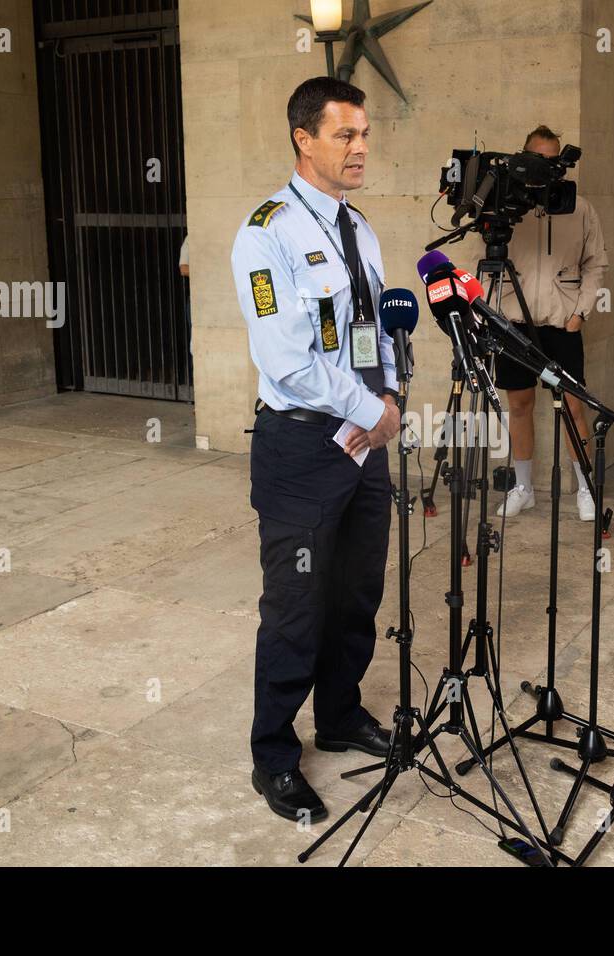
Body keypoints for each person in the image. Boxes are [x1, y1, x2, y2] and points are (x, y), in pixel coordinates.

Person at [231, 76, 401, 823]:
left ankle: (339, 716)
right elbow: (290, 360)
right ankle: (273, 754)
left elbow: (379, 325)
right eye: (345, 135)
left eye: (364, 134)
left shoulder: (358, 227)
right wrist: (373, 410)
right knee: (296, 607)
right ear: (305, 139)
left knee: (357, 592)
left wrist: (389, 399)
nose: (361, 147)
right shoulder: (266, 232)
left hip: (367, 442)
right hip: (303, 449)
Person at [493, 125, 609, 521]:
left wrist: (581, 311)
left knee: (573, 408)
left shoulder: (579, 207)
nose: (545, 168)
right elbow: (488, 257)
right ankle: (523, 487)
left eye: (552, 161)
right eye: (536, 159)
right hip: (514, 321)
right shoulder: (507, 206)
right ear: (522, 158)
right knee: (519, 404)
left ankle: (584, 487)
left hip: (562, 323)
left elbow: (596, 262)